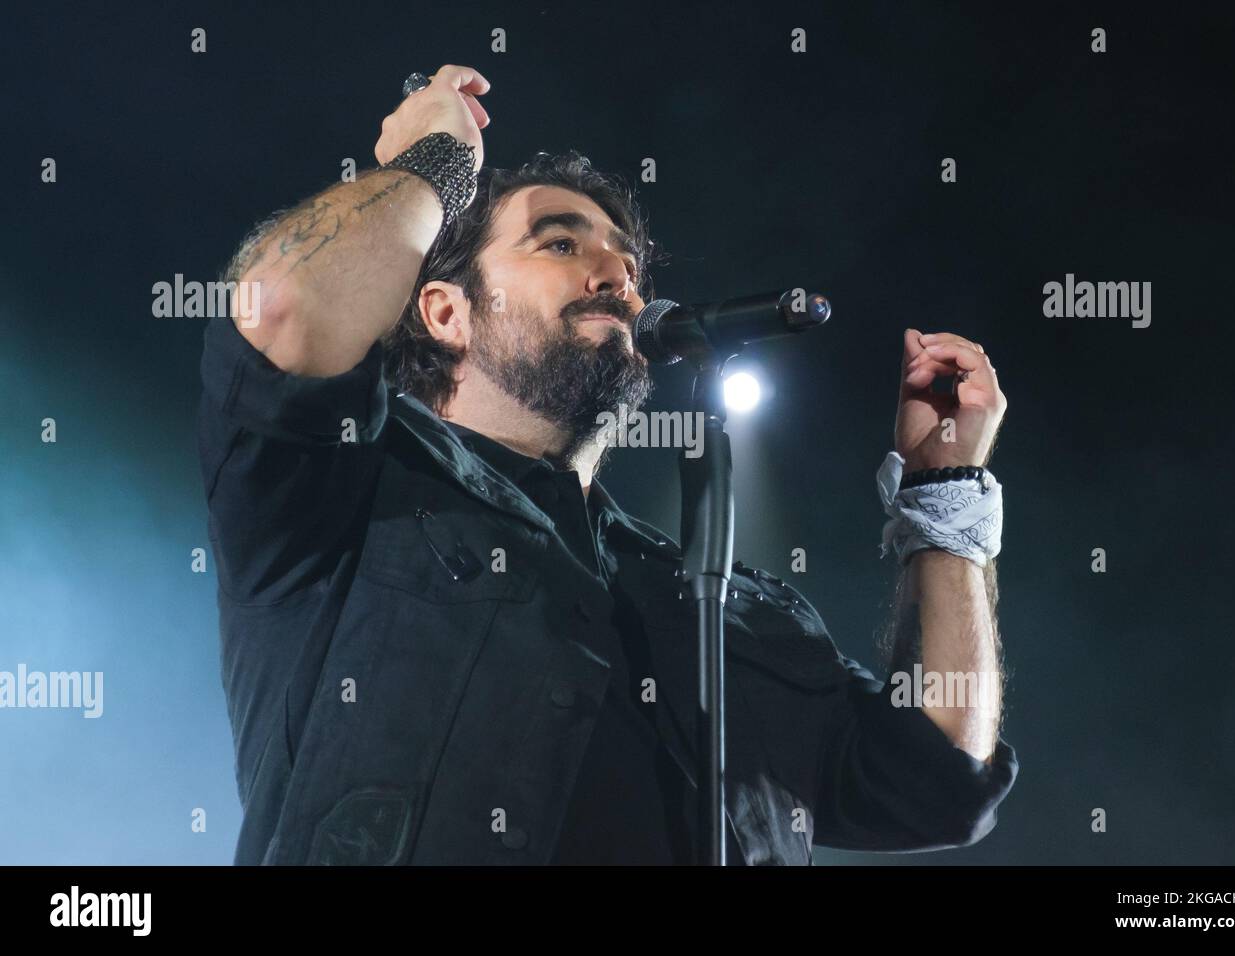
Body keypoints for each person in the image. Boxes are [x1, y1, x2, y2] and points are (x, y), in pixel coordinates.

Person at [198, 64, 1017, 865]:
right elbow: (285, 309)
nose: (619, 276)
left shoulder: (724, 609)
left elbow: (941, 777)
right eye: (559, 242)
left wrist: (943, 489)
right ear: (446, 312)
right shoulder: (354, 486)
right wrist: (436, 165)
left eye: (629, 264)